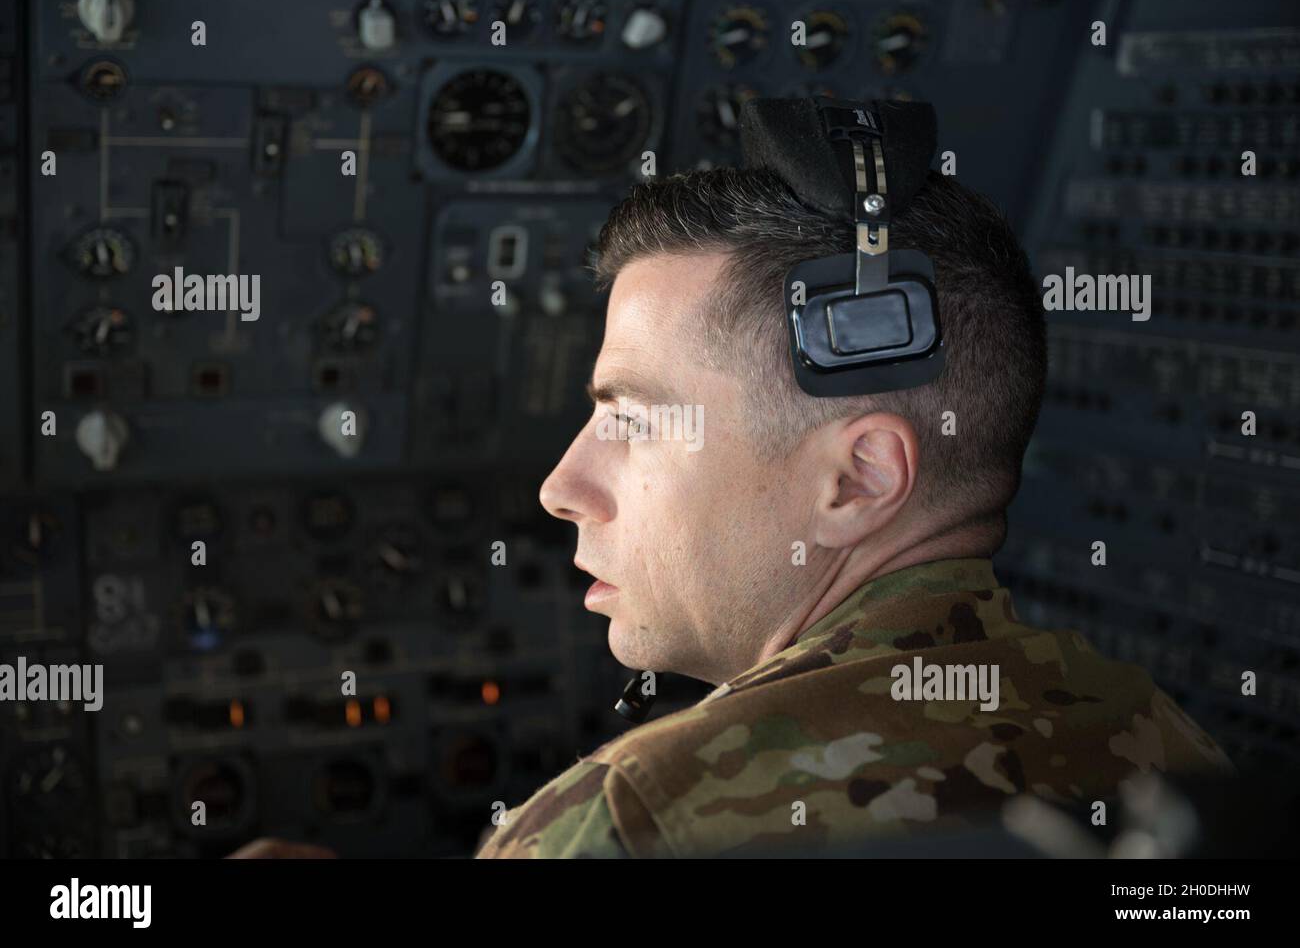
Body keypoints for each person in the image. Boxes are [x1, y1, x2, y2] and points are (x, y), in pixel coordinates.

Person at [472, 164, 1235, 857]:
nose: (561, 486)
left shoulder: (626, 818)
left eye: (633, 422)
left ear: (859, 481)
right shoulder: (1169, 748)